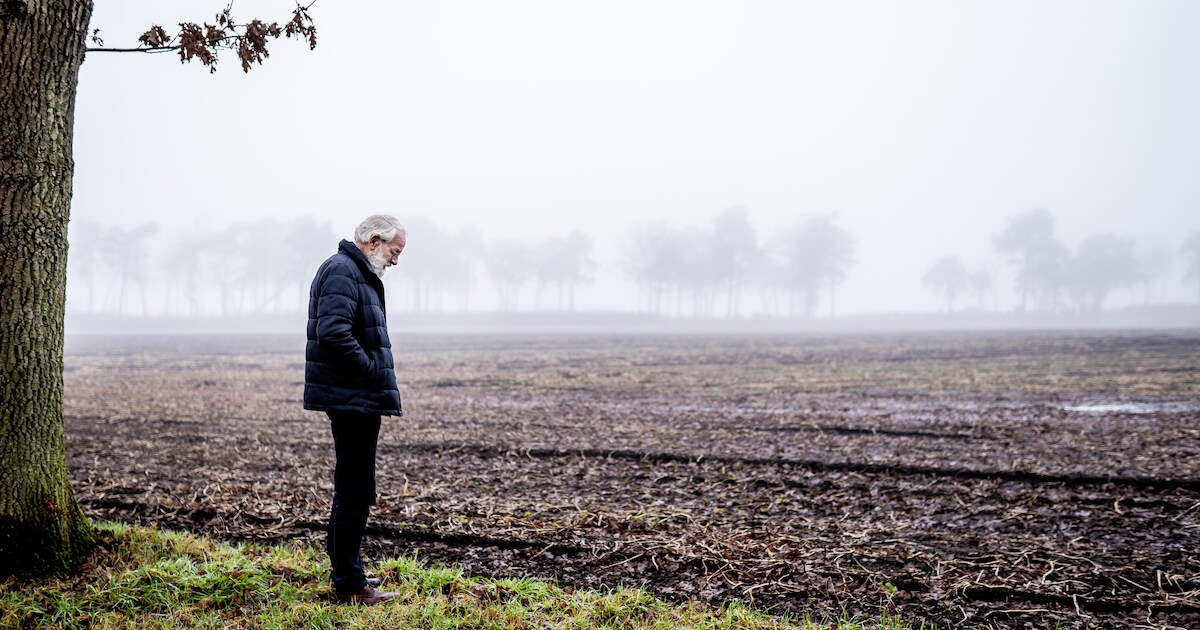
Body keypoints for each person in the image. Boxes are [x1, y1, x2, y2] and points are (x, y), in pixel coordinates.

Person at [303, 214, 406, 604]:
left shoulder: (355, 271)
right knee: (355, 490)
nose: (396, 261)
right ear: (374, 240)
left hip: (356, 397)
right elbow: (333, 332)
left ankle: (347, 573)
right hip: (352, 398)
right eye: (395, 252)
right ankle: (349, 582)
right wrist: (370, 373)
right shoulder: (343, 270)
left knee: (355, 488)